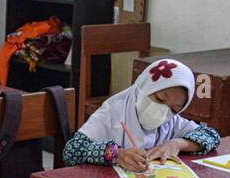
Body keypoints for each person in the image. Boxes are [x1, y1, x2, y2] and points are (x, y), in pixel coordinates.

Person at [64, 57, 220, 169]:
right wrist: (116, 154)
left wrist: (177, 144)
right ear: (143, 86)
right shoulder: (113, 112)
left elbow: (211, 136)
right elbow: (72, 151)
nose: (163, 111)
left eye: (174, 109)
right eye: (159, 98)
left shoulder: (171, 122)